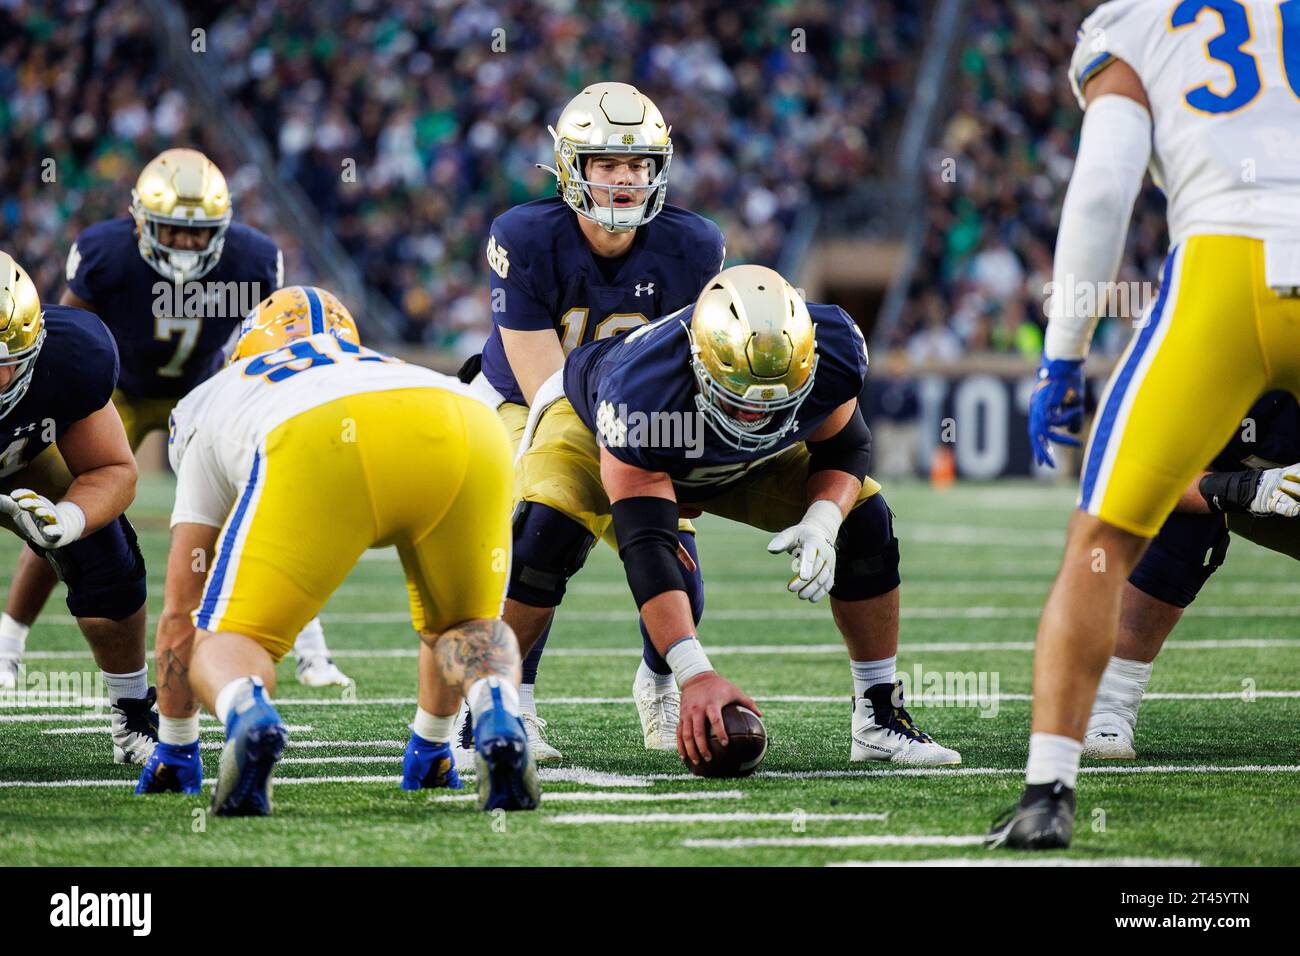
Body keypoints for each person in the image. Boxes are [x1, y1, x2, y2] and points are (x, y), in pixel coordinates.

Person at [991, 0, 1300, 849]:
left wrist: (1063, 353)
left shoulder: (1135, 20)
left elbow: (1102, 191)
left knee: (1101, 535)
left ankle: (1048, 793)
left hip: (1227, 270)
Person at [521, 264, 959, 766]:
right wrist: (696, 674)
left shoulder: (832, 345)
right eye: (741, 402)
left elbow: (847, 447)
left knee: (865, 517)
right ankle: (487, 705)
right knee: (545, 530)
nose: (755, 417)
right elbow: (648, 547)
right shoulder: (641, 390)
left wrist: (822, 520)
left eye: (775, 403)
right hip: (607, 429)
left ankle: (878, 717)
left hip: (726, 453)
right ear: (702, 360)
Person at [136, 286, 537, 814]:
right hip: (463, 419)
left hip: (315, 433)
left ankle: (249, 716)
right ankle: (480, 723)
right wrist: (431, 746)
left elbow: (180, 613)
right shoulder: (371, 361)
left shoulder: (216, 393)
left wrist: (175, 745)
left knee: (226, 639)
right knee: (464, 624)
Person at [0, 148, 350, 694]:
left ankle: (312, 651)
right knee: (66, 505)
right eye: (173, 231)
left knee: (257, 502)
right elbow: (64, 336)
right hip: (121, 391)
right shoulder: (106, 252)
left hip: (204, 385)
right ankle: (10, 642)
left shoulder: (253, 260)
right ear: (141, 221)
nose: (186, 244)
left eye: (198, 233)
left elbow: (264, 338)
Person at [461, 82, 725, 759]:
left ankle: (661, 680)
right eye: (607, 164)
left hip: (634, 410)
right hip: (528, 399)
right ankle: (506, 701)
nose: (625, 180)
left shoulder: (693, 245)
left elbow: (688, 372)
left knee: (677, 564)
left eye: (638, 165)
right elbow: (547, 387)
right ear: (571, 167)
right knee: (548, 524)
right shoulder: (524, 235)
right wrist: (607, 480)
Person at [1085, 391, 1300, 758]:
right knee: (1175, 529)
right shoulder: (1194, 351)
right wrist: (1242, 489)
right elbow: (1134, 470)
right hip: (1225, 481)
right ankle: (1111, 705)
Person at [0, 251, 152, 763]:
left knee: (106, 553)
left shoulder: (70, 360)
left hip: (24, 462)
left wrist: (69, 519)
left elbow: (113, 469)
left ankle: (132, 715)